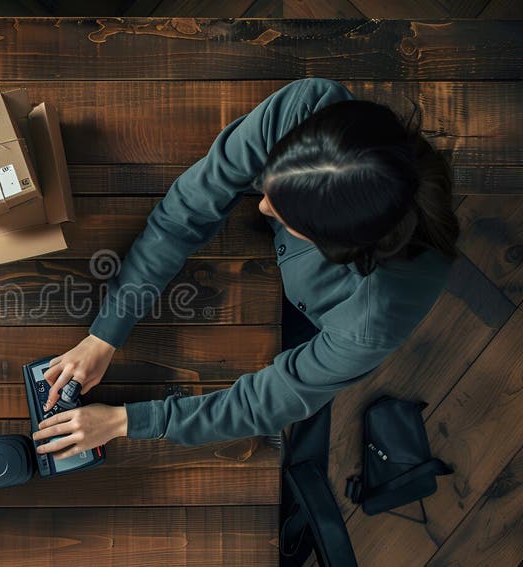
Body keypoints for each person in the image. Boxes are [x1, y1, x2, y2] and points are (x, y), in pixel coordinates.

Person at [31, 77, 460, 461]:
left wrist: (125, 422)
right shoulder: (305, 109)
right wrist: (106, 332)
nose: (261, 205)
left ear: (337, 247)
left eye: (285, 214)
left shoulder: (369, 322)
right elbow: (185, 211)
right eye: (269, 186)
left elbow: (267, 402)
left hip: (315, 326)